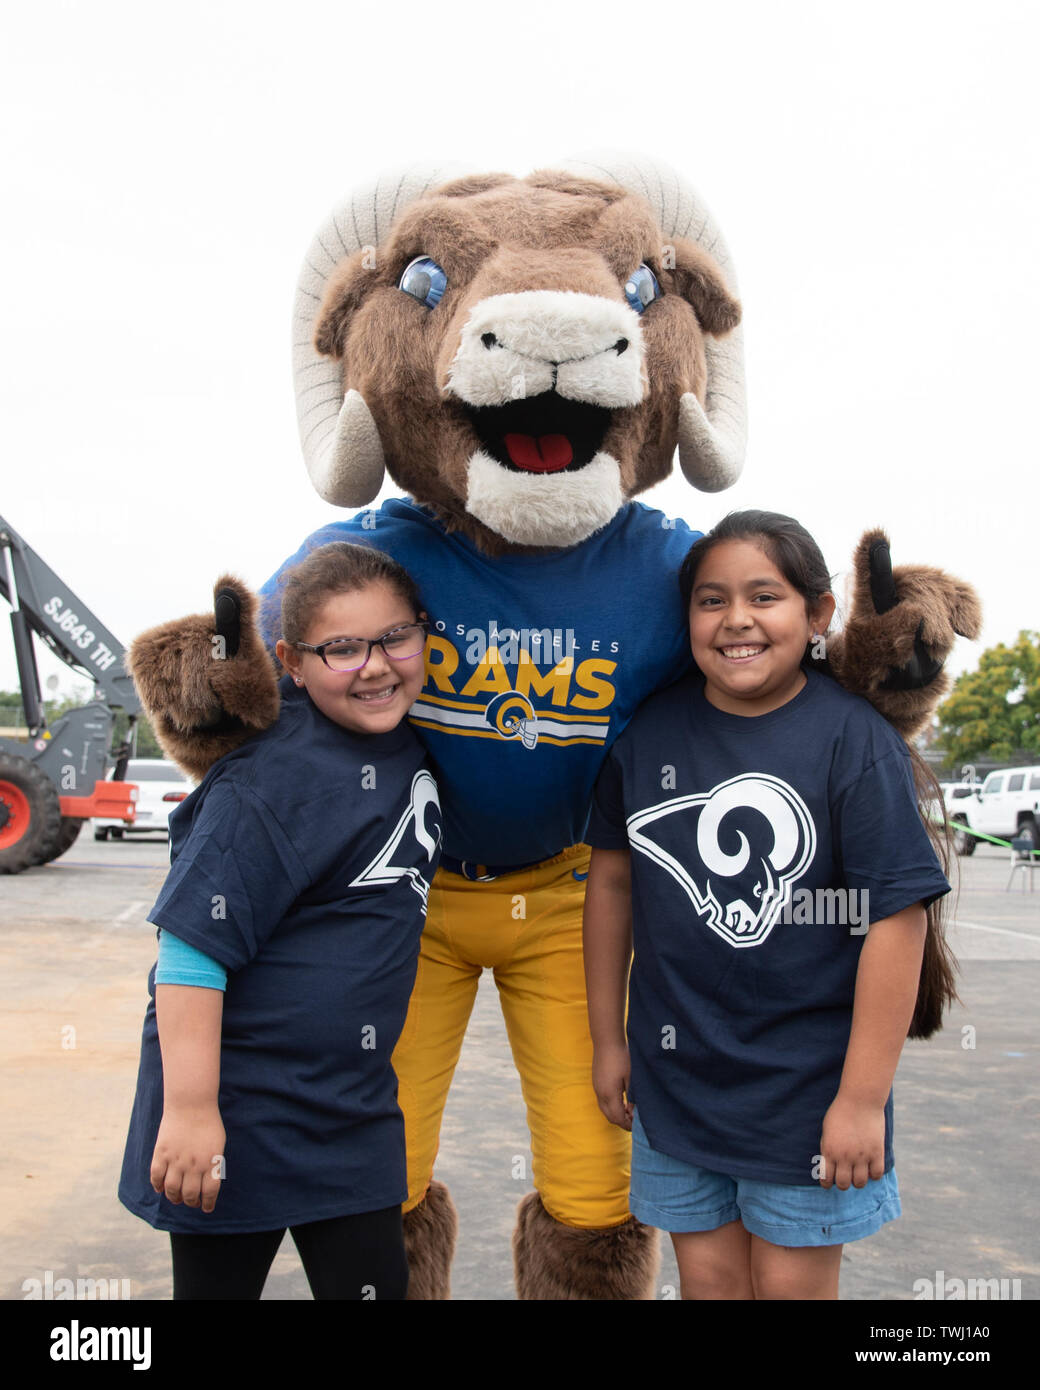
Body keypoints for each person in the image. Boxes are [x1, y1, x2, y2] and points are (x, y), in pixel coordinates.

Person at [582, 509, 955, 1300]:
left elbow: (897, 915)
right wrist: (607, 1040)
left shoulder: (852, 740)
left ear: (818, 615)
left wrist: (860, 1101)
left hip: (807, 1097)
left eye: (766, 596)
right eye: (711, 600)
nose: (737, 620)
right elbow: (611, 885)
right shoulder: (647, 735)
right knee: (709, 1284)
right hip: (676, 1087)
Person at [118, 542, 442, 1300]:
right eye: (342, 649)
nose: (376, 665)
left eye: (396, 637)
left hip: (351, 1112)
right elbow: (192, 951)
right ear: (291, 663)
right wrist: (193, 1112)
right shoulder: (271, 778)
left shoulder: (409, 746)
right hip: (239, 1109)